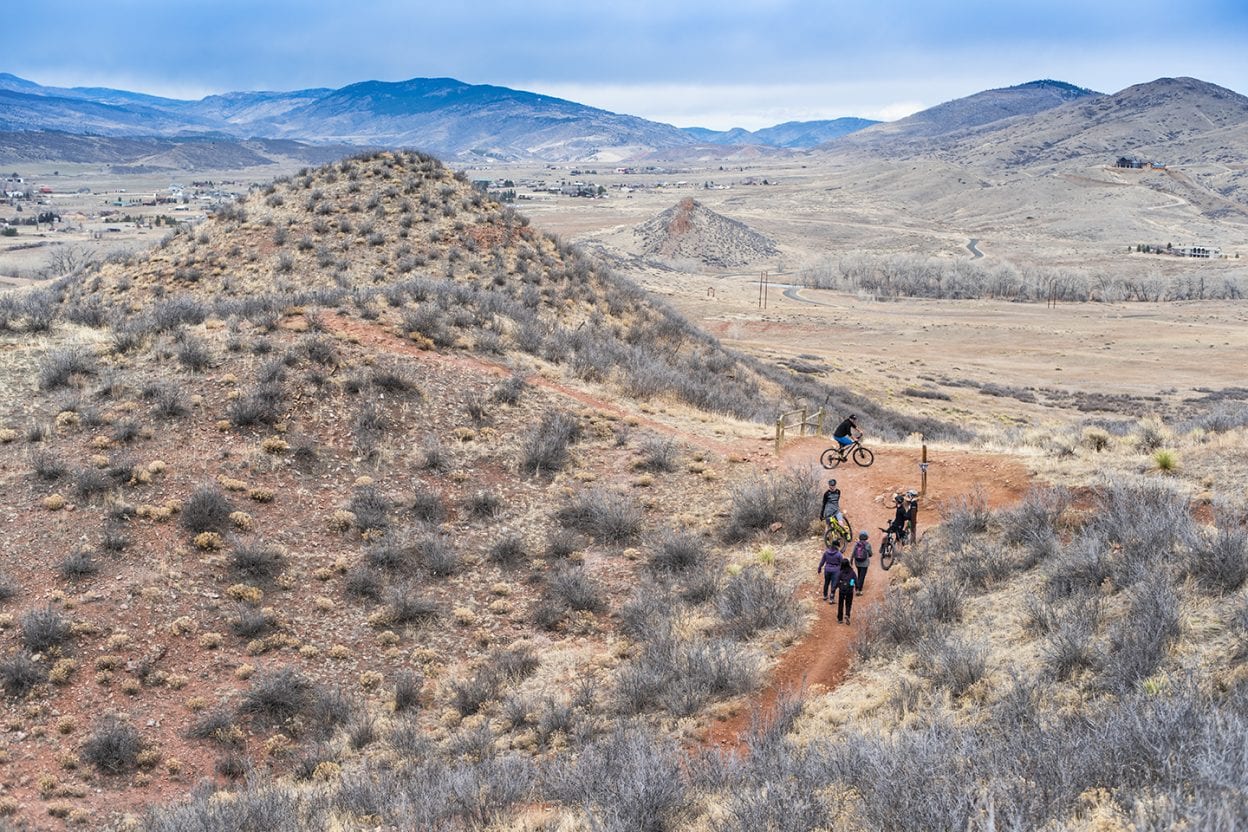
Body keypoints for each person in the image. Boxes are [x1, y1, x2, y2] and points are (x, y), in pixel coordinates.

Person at [836, 556, 857, 623]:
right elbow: (855, 580)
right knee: (848, 604)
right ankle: (847, 614)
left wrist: (834, 589)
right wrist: (857, 587)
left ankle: (840, 619)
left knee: (840, 604)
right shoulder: (852, 572)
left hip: (842, 590)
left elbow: (837, 581)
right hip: (849, 590)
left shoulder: (840, 572)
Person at [851, 530, 872, 594]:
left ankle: (857, 586)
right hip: (865, 563)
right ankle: (859, 589)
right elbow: (870, 554)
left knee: (859, 574)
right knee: (862, 576)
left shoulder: (857, 544)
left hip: (857, 562)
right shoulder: (868, 544)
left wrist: (851, 560)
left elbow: (853, 552)